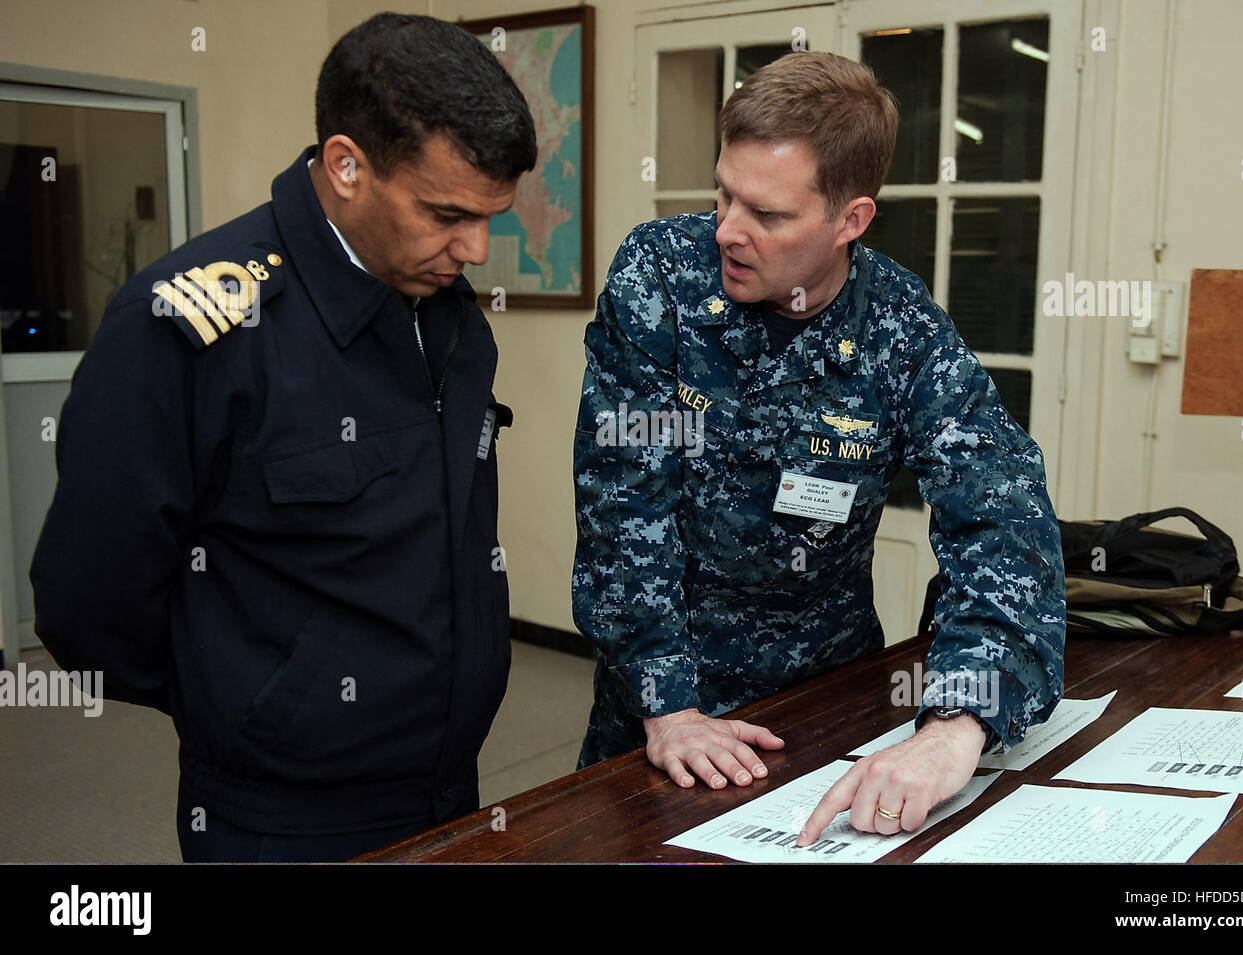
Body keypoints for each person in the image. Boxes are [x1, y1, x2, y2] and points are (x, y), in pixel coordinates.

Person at [29, 13, 537, 862]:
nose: (476, 248)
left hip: (451, 786)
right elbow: (88, 599)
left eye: (490, 217)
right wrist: (255, 701)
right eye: (447, 213)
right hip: (283, 822)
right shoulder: (190, 328)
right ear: (346, 166)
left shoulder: (440, 309)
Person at [571, 51, 1065, 845]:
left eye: (766, 214)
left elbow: (1002, 517)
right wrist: (668, 705)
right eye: (724, 192)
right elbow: (623, 504)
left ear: (851, 220)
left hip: (831, 709)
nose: (728, 229)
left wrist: (957, 722)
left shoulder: (900, 328)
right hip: (664, 719)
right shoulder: (659, 276)